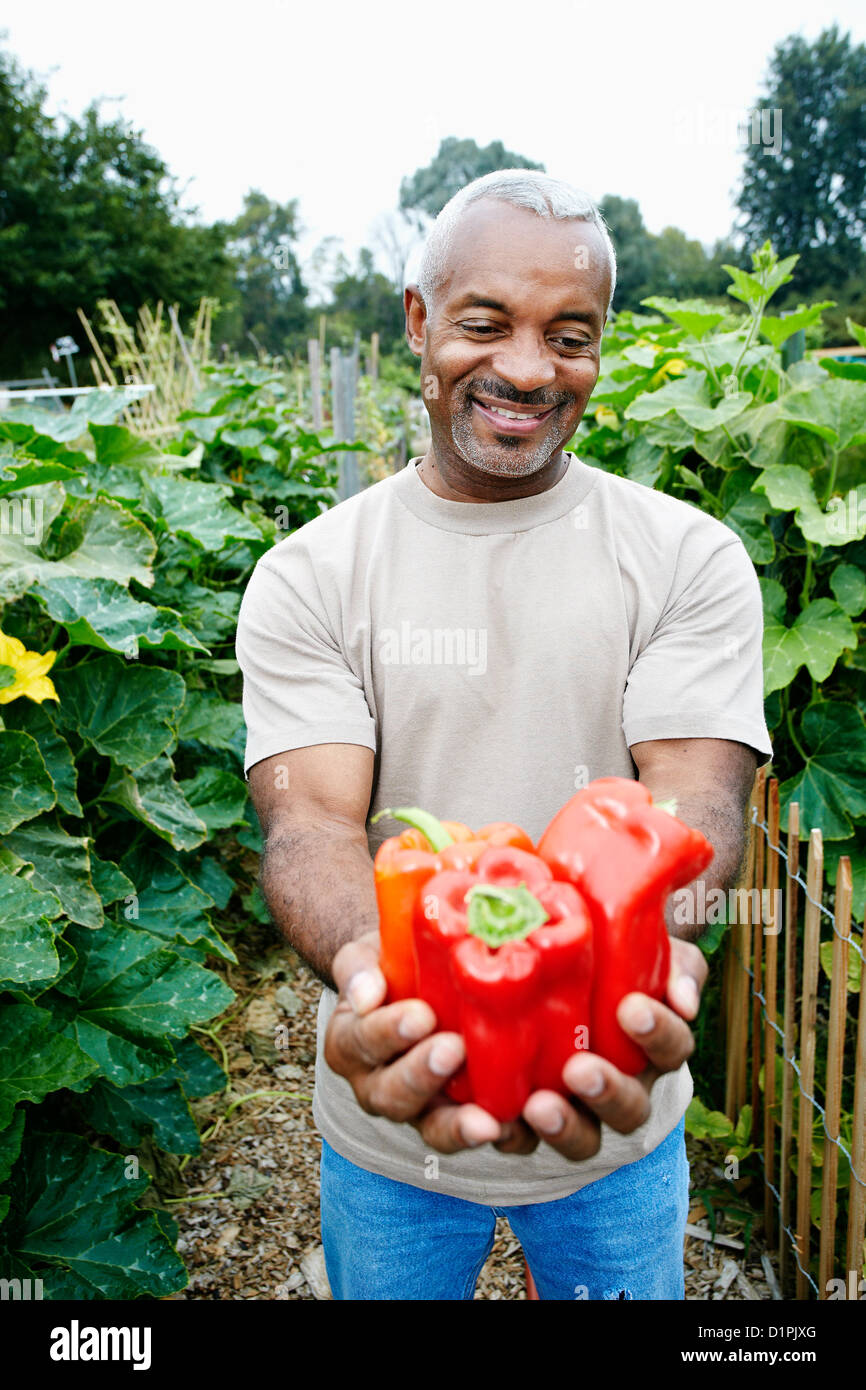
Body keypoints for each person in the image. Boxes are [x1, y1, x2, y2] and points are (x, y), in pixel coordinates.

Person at [235, 170, 772, 1301]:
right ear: (419, 323)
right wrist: (371, 975)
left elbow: (691, 802)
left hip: (609, 1113)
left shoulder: (686, 557)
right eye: (485, 324)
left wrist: (631, 987)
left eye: (567, 335)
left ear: (599, 348)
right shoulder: (310, 577)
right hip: (394, 1112)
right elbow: (313, 823)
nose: (528, 369)